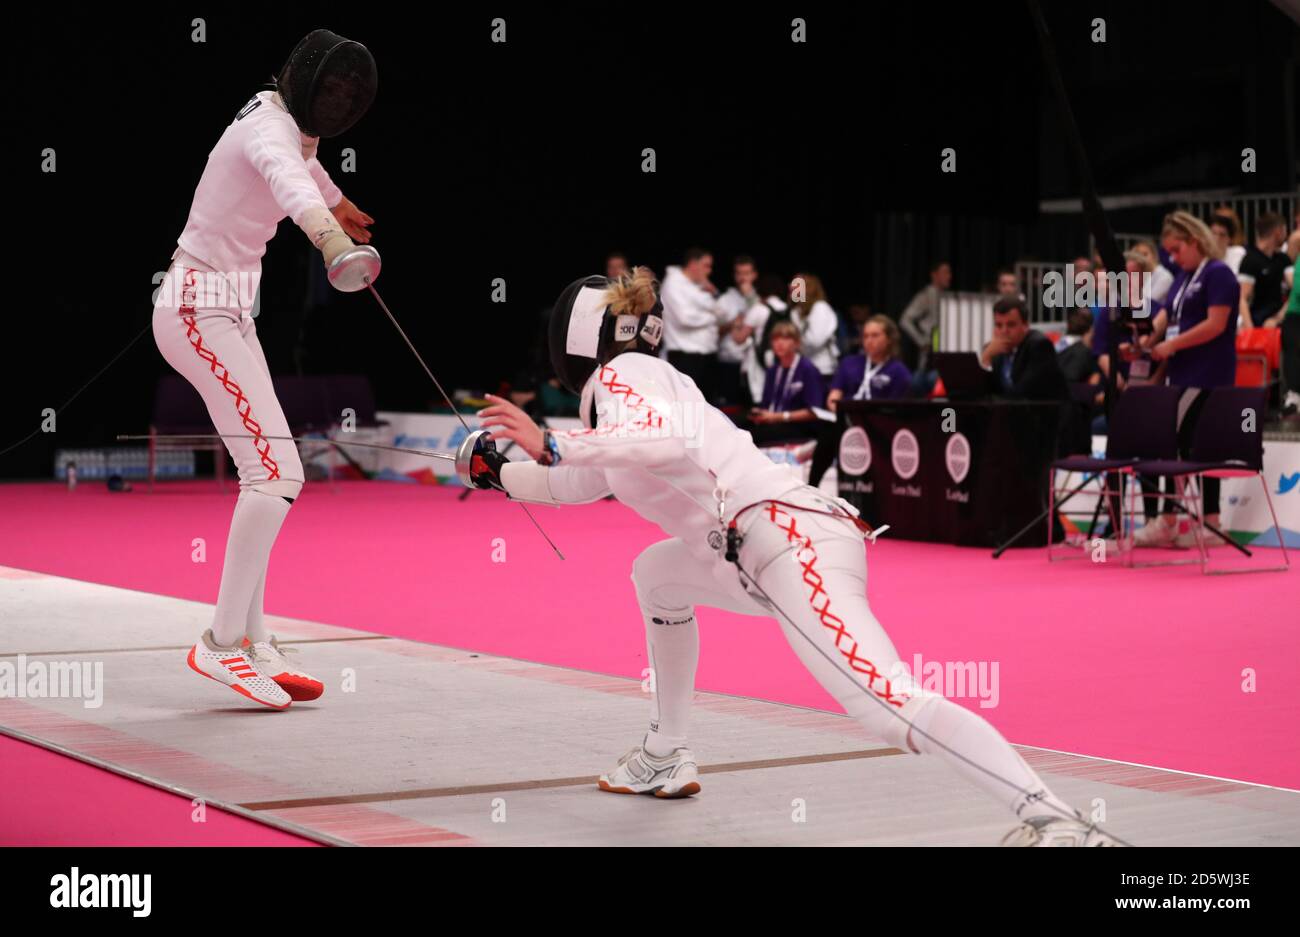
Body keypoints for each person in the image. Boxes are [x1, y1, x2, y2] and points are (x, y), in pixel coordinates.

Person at [472, 266, 1118, 846]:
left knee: (887, 704)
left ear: (578, 341)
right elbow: (577, 482)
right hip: (752, 553)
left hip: (789, 539)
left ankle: (1059, 820)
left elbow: (654, 438)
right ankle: (666, 751)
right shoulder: (634, 390)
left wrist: (555, 444)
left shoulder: (626, 376)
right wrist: (497, 470)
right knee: (657, 573)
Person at [154, 29, 378, 709]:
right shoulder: (267, 132)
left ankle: (251, 638)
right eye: (332, 90)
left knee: (270, 472)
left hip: (226, 310)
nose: (339, 102)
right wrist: (331, 237)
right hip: (197, 309)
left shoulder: (280, 123)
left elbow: (304, 170)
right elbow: (287, 178)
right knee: (277, 472)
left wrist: (336, 199)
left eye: (349, 94)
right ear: (307, 84)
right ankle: (220, 642)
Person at [1132, 211, 1240, 548]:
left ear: (1195, 241)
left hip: (1208, 373)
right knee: (1192, 445)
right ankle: (1208, 521)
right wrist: (1142, 346)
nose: (1174, 258)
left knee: (1179, 443)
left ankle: (1169, 518)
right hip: (1182, 372)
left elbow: (1216, 325)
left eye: (1177, 250)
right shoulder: (1183, 277)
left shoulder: (1219, 274)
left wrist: (1171, 345)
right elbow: (1164, 320)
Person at [807, 316, 911, 489]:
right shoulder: (849, 363)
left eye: (875, 335)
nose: (869, 340)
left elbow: (897, 409)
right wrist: (843, 410)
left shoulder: (899, 372)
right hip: (847, 421)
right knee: (828, 434)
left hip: (877, 425)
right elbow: (833, 398)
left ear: (889, 339)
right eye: (866, 336)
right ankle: (811, 487)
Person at [660, 247, 726, 402]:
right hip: (685, 357)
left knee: (707, 408)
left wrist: (713, 292)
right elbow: (685, 318)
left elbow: (723, 312)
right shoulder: (673, 284)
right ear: (693, 264)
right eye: (706, 265)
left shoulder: (699, 286)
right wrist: (711, 318)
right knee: (687, 407)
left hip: (706, 356)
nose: (709, 271)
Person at [979, 297, 1068, 400]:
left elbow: (1023, 393)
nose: (1004, 331)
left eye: (1011, 325)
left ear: (1025, 325)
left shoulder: (1039, 346)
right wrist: (985, 359)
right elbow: (982, 394)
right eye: (998, 325)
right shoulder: (994, 350)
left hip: (1043, 413)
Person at [750, 321, 825, 444]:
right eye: (775, 339)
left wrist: (779, 417)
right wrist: (759, 414)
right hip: (774, 422)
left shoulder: (807, 369)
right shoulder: (773, 370)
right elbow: (766, 405)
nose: (779, 343)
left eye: (785, 338)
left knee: (753, 435)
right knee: (736, 426)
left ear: (796, 343)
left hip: (799, 426)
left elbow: (814, 412)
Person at [900, 261, 951, 394]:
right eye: (945, 272)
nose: (949, 276)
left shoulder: (947, 297)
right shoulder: (927, 295)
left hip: (944, 358)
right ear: (934, 275)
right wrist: (921, 341)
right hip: (929, 361)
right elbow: (905, 319)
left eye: (949, 272)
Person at [715, 256, 759, 405]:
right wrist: (732, 324)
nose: (743, 278)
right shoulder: (725, 299)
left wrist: (750, 298)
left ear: (754, 275)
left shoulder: (759, 299)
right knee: (729, 408)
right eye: (739, 273)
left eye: (747, 273)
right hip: (728, 361)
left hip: (753, 364)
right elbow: (714, 333)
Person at [1238, 212, 1292, 328]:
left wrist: (1278, 317)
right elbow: (1242, 297)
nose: (1286, 236)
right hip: (1258, 322)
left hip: (1281, 321)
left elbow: (1295, 290)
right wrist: (1250, 329)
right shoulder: (1250, 260)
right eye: (1285, 231)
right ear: (1278, 232)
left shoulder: (1283, 259)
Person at [788, 272, 840, 380]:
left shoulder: (820, 308)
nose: (791, 287)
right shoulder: (795, 312)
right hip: (801, 368)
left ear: (809, 288)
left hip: (822, 369)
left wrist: (793, 344)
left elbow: (815, 340)